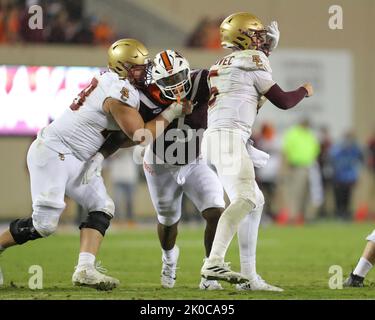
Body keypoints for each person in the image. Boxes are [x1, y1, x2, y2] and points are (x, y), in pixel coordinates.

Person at [0, 38, 189, 290]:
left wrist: (99, 157)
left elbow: (121, 136)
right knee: (44, 224)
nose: (144, 71)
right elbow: (140, 135)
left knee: (102, 205)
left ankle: (85, 269)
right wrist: (171, 112)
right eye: (137, 67)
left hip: (78, 156)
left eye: (144, 65)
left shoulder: (118, 84)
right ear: (121, 67)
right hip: (55, 151)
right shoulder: (120, 90)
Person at [90, 47, 283, 291]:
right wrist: (100, 155)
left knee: (216, 212)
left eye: (179, 76)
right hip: (161, 163)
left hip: (196, 159)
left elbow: (237, 82)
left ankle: (209, 273)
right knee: (169, 222)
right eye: (168, 80)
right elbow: (133, 135)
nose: (176, 84)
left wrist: (262, 56)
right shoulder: (143, 97)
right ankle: (169, 259)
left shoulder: (204, 80)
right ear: (155, 80)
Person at [200, 12, 313, 285]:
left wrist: (264, 53)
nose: (262, 40)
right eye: (257, 34)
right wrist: (304, 90)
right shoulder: (253, 60)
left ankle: (249, 276)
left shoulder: (222, 64)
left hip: (215, 140)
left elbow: (250, 93)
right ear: (243, 36)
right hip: (227, 139)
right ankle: (213, 263)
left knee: (255, 201)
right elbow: (284, 101)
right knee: (247, 198)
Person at [282, 120, 322, 223]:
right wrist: (287, 167)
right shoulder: (293, 133)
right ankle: (293, 216)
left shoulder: (310, 134)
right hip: (297, 166)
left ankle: (309, 216)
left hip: (310, 166)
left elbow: (316, 150)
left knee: (311, 193)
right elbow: (286, 150)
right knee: (296, 193)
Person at [330, 131, 363, 221]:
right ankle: (339, 213)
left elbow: (360, 158)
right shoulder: (338, 147)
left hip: (349, 176)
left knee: (347, 195)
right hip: (338, 175)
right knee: (339, 196)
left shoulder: (354, 148)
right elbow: (332, 157)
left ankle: (345, 213)